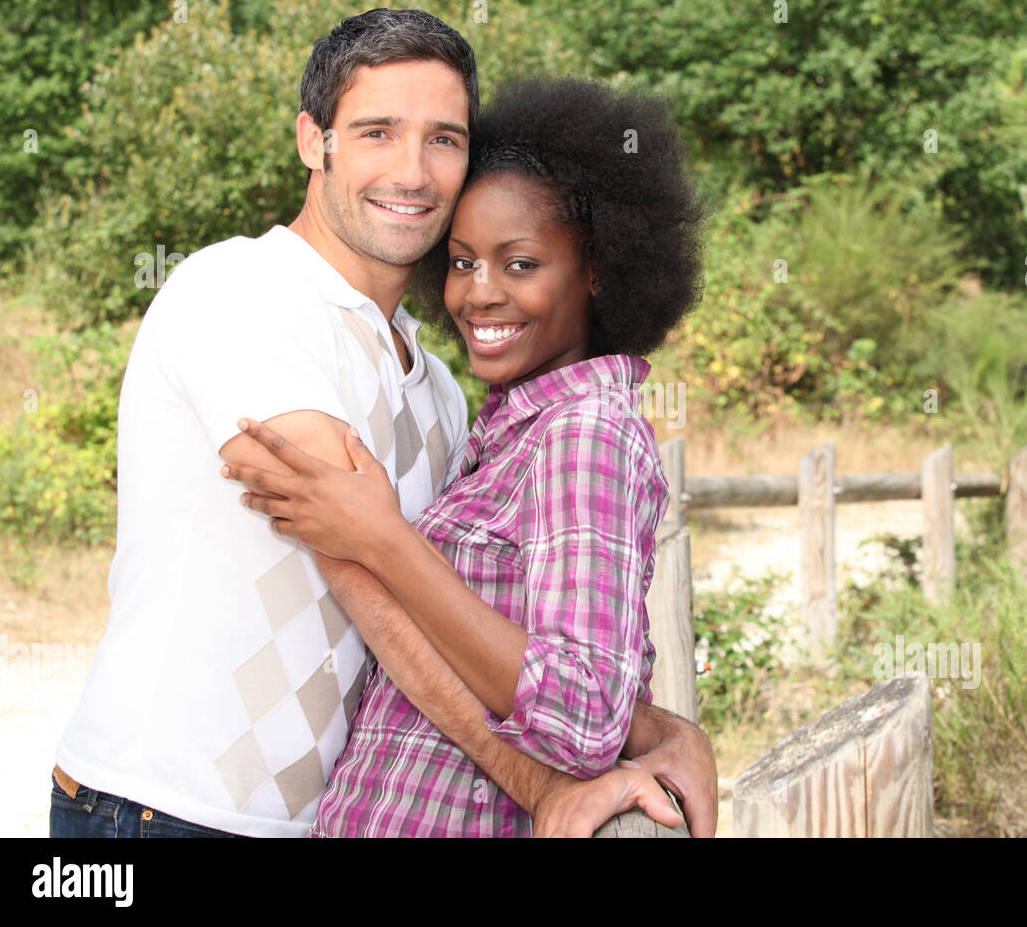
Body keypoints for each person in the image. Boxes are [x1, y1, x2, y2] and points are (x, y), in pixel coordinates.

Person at [51, 7, 716, 838]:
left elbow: (445, 613)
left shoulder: (440, 390)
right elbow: (362, 576)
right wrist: (540, 786)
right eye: (376, 131)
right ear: (312, 140)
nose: (414, 171)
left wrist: (664, 730)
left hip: (319, 821)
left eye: (443, 139)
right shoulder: (241, 294)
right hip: (162, 809)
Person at [221, 74, 706, 836]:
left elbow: (581, 714)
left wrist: (384, 540)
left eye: (520, 264)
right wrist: (671, 730)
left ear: (599, 269)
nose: (479, 293)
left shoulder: (586, 434)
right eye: (461, 260)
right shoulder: (505, 430)